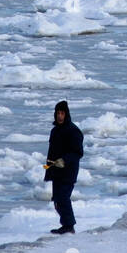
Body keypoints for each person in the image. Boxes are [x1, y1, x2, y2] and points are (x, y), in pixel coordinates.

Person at [44, 100, 84, 234]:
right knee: (57, 200)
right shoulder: (55, 131)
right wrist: (49, 167)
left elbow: (77, 152)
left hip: (68, 172)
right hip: (56, 171)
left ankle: (69, 226)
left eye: (62, 113)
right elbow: (52, 151)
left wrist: (64, 161)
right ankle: (66, 224)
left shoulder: (73, 131)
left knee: (62, 198)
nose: (60, 116)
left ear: (67, 114)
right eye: (58, 113)